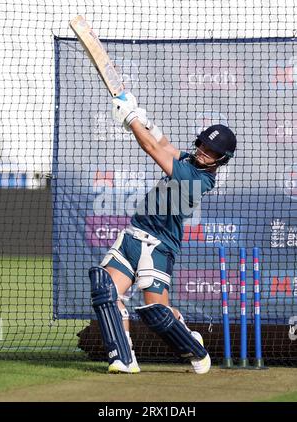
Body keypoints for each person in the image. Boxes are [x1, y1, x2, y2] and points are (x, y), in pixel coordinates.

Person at [89, 93, 237, 374]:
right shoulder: (191, 161)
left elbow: (152, 150)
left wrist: (131, 119)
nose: (204, 150)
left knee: (158, 316)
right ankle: (123, 357)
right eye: (204, 144)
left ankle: (195, 348)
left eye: (212, 150)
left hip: (158, 248)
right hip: (133, 234)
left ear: (221, 159)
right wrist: (146, 121)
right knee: (104, 290)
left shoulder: (199, 179)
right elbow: (164, 145)